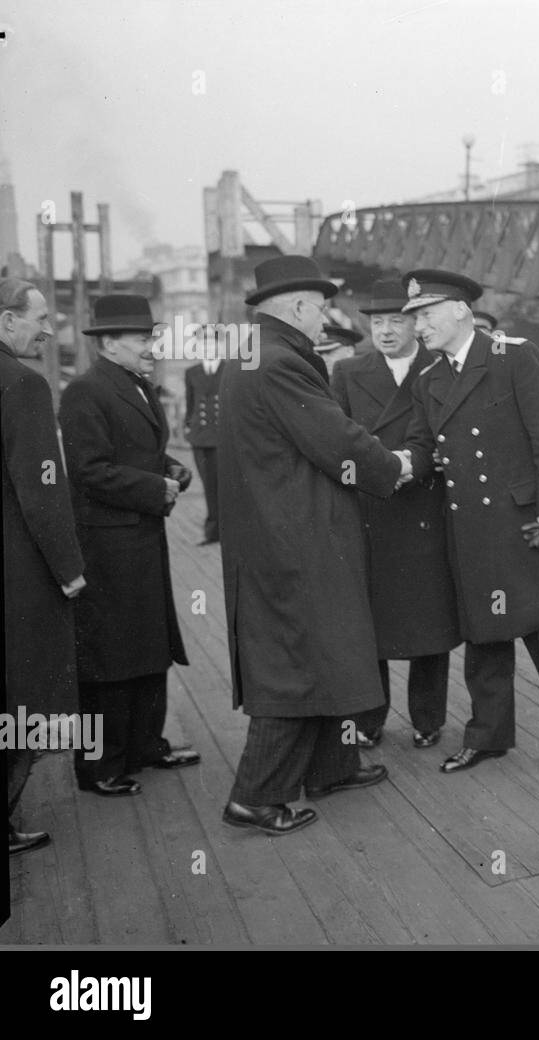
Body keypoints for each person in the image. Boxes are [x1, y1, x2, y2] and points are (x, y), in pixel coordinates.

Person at [218, 255, 409, 836]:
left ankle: (331, 766)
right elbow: (338, 440)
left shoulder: (252, 354)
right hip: (297, 537)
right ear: (299, 306)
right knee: (295, 663)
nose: (328, 317)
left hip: (282, 530)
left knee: (327, 646)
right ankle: (255, 796)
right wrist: (394, 464)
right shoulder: (281, 364)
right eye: (323, 307)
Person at [401, 268, 539, 776]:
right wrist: (394, 465)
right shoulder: (429, 379)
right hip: (472, 529)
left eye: (426, 314)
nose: (418, 327)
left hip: (528, 520)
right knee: (485, 637)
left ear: (461, 309)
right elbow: (423, 447)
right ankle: (487, 736)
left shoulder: (515, 356)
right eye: (414, 317)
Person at [58, 295, 199, 798]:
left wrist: (168, 469)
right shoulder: (85, 392)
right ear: (110, 343)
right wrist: (153, 488)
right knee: (109, 657)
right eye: (143, 341)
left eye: (151, 339)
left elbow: (140, 453)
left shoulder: (132, 387)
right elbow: (89, 470)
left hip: (136, 539)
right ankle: (98, 766)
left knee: (146, 643)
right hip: (108, 544)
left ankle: (143, 745)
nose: (151, 349)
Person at [331, 278, 459, 749]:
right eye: (377, 322)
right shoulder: (347, 372)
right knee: (372, 625)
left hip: (425, 505)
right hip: (372, 509)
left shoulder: (440, 366)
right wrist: (383, 469)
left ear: (415, 322)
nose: (385, 331)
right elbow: (340, 437)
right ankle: (369, 720)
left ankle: (428, 719)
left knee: (430, 621)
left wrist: (412, 464)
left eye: (397, 321)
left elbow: (445, 434)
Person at [1, 278, 85, 854]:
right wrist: (69, 569)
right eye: (38, 318)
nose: (48, 329)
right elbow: (41, 489)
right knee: (25, 694)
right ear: (7, 322)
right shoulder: (24, 385)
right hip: (19, 570)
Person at [183, 342, 222, 545]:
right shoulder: (192, 372)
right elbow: (191, 403)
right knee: (208, 483)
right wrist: (187, 426)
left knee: (225, 482)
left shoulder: (229, 368)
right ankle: (212, 531)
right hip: (200, 436)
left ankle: (228, 530)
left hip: (222, 436)